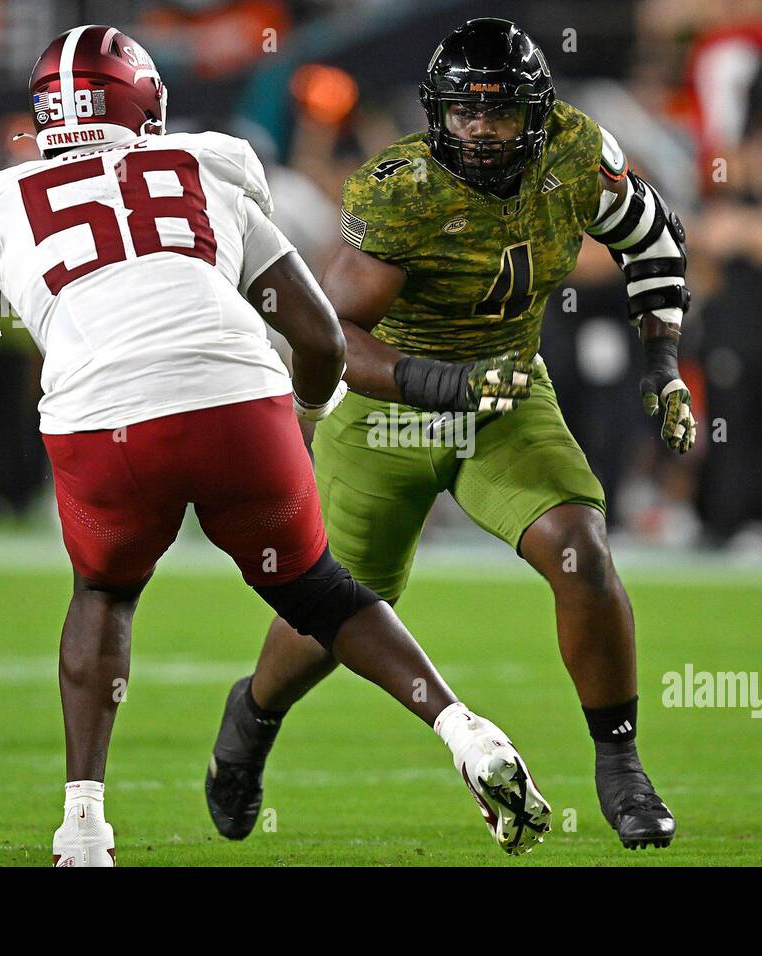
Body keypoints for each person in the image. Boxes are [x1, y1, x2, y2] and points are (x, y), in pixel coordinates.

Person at [0, 25, 551, 866]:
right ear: (144, 104)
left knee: (104, 593)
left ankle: (85, 826)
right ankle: (463, 730)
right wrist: (309, 412)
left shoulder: (0, 203)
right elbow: (318, 335)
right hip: (241, 400)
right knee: (321, 593)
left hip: (106, 421)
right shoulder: (205, 166)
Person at [207, 18, 695, 850]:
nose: (477, 130)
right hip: (388, 408)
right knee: (331, 618)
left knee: (581, 550)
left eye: (498, 113)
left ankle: (621, 764)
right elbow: (331, 337)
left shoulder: (577, 152)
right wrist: (439, 382)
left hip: (505, 393)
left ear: (538, 114)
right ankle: (252, 717)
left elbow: (650, 236)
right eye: (462, 113)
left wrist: (663, 364)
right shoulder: (400, 187)